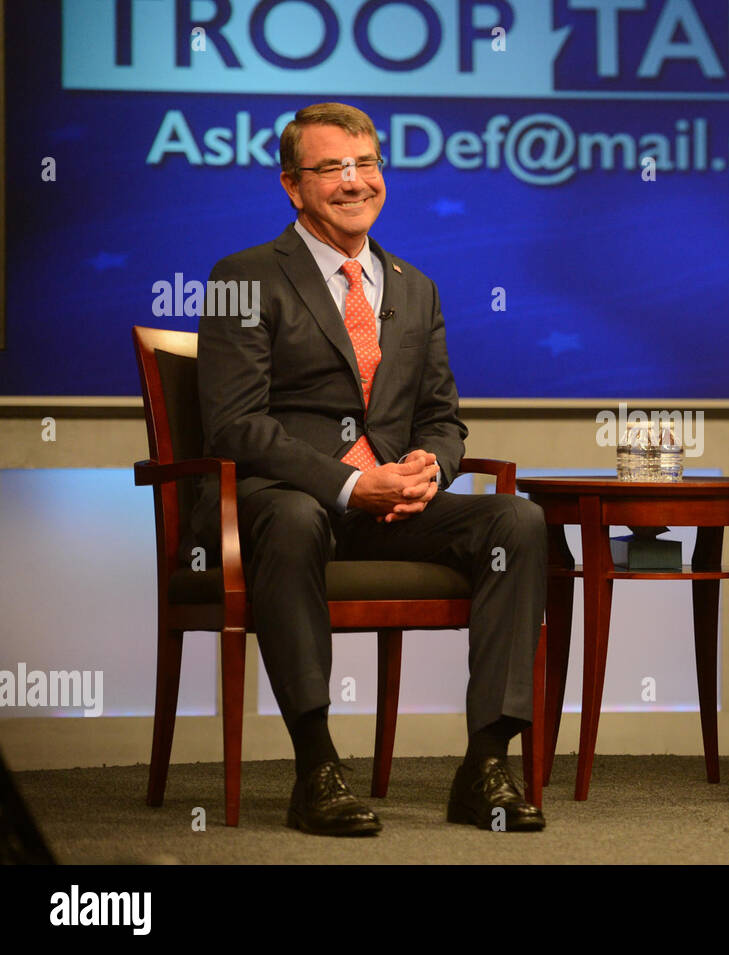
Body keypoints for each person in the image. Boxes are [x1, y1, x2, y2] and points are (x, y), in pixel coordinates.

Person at [193, 102, 547, 835]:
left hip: (390, 512)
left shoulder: (415, 287)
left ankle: (485, 764)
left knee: (518, 518)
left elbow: (443, 416)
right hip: (287, 504)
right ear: (293, 186)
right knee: (293, 516)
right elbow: (232, 422)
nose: (355, 182)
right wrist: (350, 482)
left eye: (366, 164)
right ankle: (316, 766)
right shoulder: (238, 275)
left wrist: (428, 466)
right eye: (331, 169)